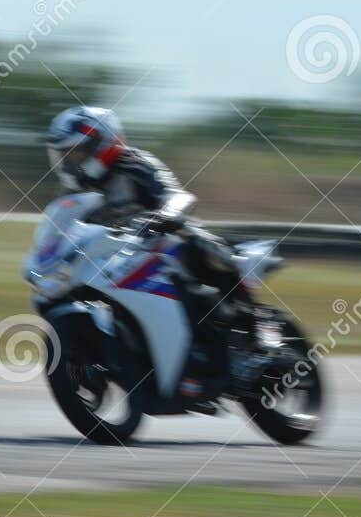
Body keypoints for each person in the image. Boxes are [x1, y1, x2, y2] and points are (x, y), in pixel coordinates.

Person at [43, 105, 250, 394]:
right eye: (63, 155)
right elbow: (64, 227)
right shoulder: (75, 192)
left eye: (75, 153)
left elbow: (177, 196)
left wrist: (167, 215)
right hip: (120, 258)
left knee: (196, 249)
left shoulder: (135, 164)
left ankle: (249, 326)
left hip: (164, 242)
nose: (69, 163)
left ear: (102, 144)